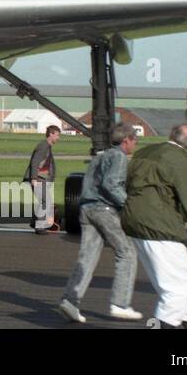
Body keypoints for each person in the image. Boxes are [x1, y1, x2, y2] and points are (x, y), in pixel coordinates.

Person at [121, 123, 187, 329]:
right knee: (178, 289)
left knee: (176, 285)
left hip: (134, 223)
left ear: (172, 134)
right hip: (161, 228)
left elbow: (127, 184)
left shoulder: (145, 152)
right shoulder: (179, 161)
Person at [58, 126, 142, 323]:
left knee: (87, 258)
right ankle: (120, 303)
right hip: (103, 210)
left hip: (86, 209)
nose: (136, 144)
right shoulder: (119, 157)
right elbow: (111, 184)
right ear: (127, 140)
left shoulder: (100, 155)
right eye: (135, 140)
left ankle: (70, 300)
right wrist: (128, 204)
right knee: (127, 252)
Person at [23, 125, 60, 233]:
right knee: (46, 202)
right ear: (51, 134)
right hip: (38, 179)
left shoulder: (47, 146)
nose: (58, 138)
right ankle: (39, 226)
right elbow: (35, 162)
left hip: (42, 179)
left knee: (44, 201)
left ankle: (35, 222)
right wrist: (33, 178)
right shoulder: (43, 146)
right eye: (57, 135)